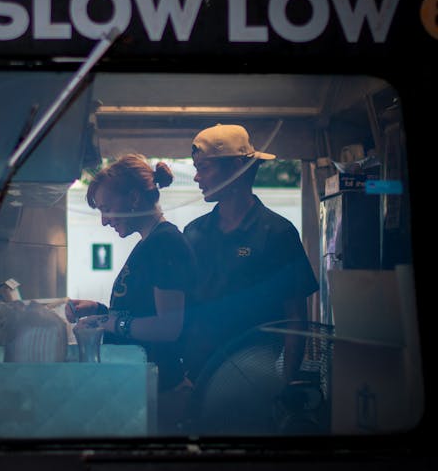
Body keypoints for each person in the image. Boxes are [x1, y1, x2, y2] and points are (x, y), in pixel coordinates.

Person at [65, 154, 198, 429]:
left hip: (164, 388)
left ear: (134, 198)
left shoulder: (165, 243)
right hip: (145, 384)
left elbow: (168, 327)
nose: (104, 220)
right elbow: (141, 314)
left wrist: (109, 322)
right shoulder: (150, 242)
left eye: (107, 207)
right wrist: (99, 310)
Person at [183, 123, 319, 384]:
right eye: (196, 168)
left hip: (253, 381)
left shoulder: (278, 232)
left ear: (237, 168)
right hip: (196, 378)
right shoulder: (193, 232)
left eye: (204, 168)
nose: (197, 178)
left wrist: (286, 386)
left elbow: (296, 319)